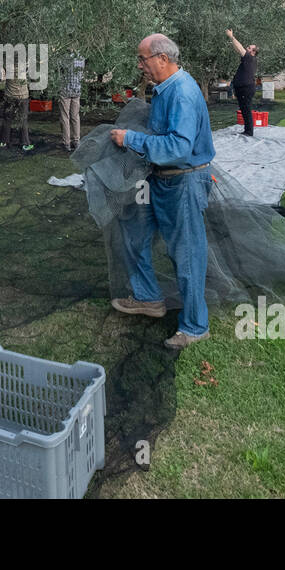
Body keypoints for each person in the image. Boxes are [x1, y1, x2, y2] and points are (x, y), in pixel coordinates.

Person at [107, 33, 216, 350]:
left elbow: (179, 148)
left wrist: (130, 139)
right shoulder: (166, 88)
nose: (140, 65)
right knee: (133, 231)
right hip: (162, 179)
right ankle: (148, 298)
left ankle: (196, 326)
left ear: (162, 59)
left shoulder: (181, 93)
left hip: (183, 183)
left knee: (186, 255)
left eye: (143, 59)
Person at [227, 29, 259, 137]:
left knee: (246, 109)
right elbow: (238, 49)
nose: (247, 48)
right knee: (245, 109)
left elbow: (240, 48)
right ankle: (247, 130)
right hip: (243, 88)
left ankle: (249, 132)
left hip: (246, 88)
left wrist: (232, 37)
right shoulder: (248, 59)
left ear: (253, 52)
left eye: (249, 48)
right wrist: (231, 40)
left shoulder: (250, 58)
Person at [0, 57, 33, 151]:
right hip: (23, 96)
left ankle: (4, 141)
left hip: (10, 96)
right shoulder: (25, 65)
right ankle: (24, 143)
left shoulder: (7, 65)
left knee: (7, 119)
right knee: (23, 119)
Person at [58, 53, 84, 151]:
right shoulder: (81, 57)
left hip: (65, 90)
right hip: (77, 90)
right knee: (75, 116)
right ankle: (76, 141)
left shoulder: (63, 57)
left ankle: (66, 143)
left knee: (65, 117)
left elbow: (58, 71)